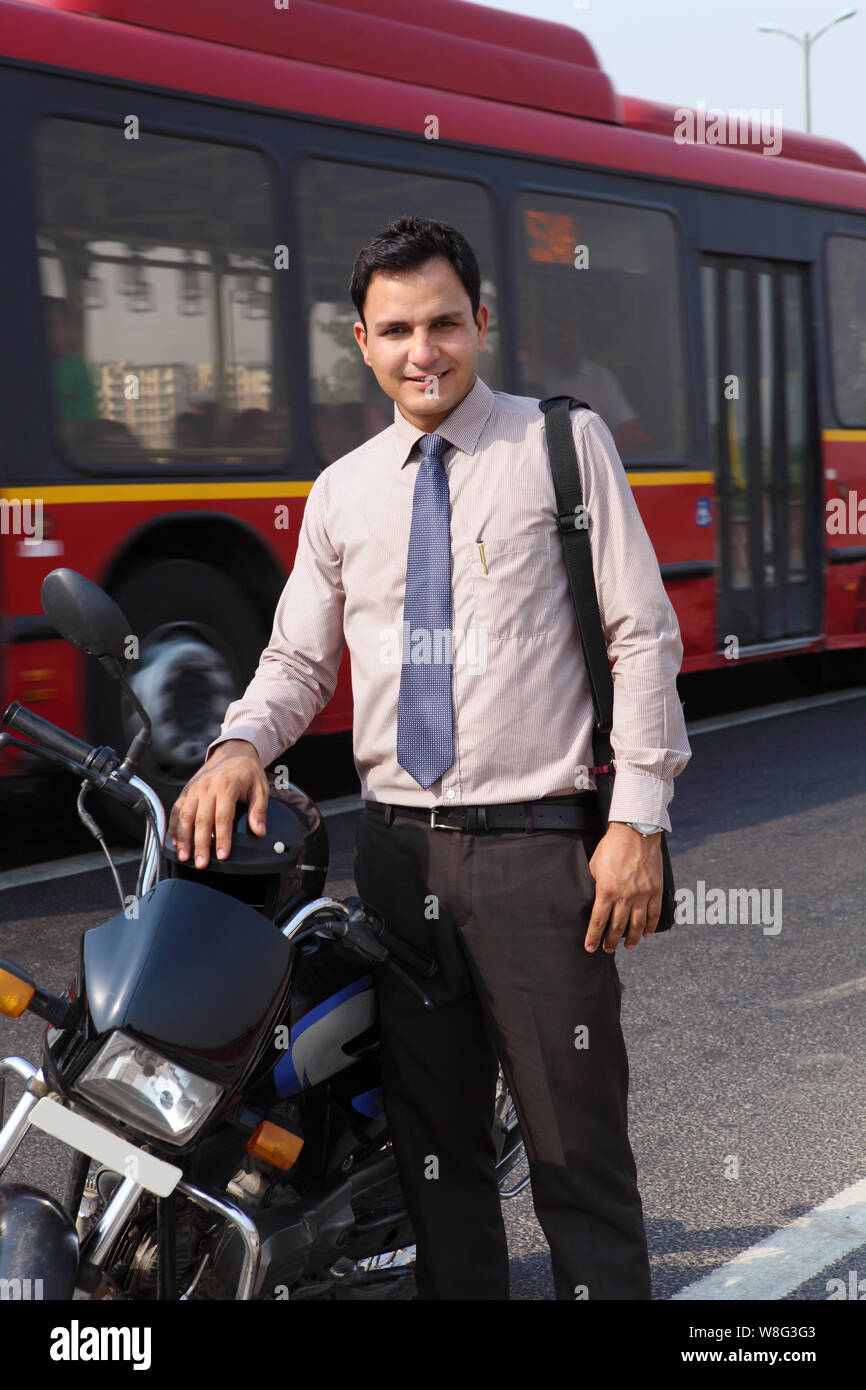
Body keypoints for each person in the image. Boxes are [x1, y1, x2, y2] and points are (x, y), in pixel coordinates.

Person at [169, 215, 691, 1301]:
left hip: (537, 858)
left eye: (444, 323)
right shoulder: (343, 492)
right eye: (396, 329)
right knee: (435, 1162)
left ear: (479, 323)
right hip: (399, 866)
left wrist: (636, 820)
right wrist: (235, 747)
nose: (424, 351)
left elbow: (640, 633)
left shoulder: (559, 443)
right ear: (360, 341)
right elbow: (295, 662)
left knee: (574, 1157)